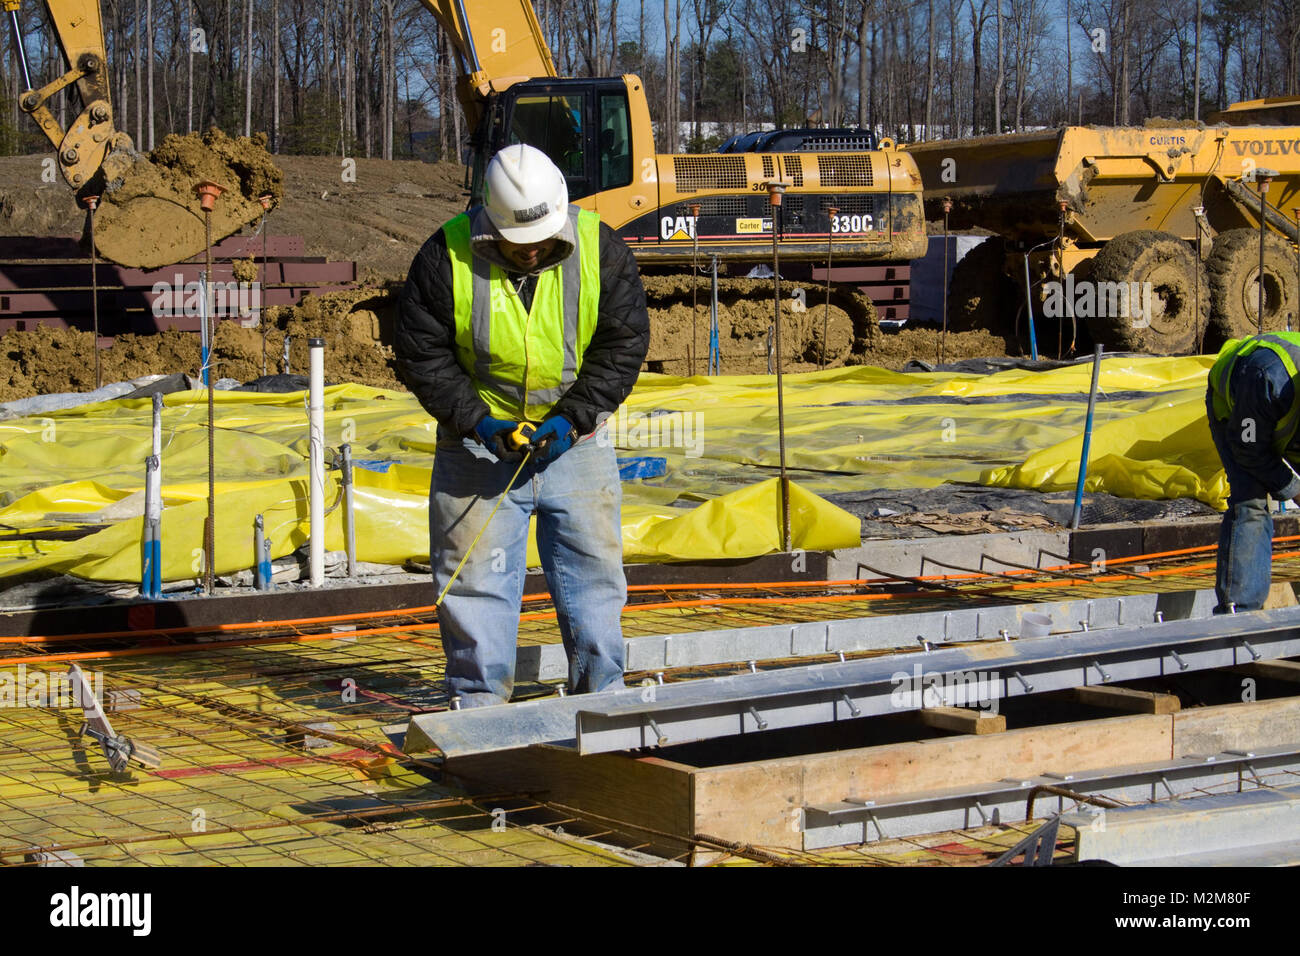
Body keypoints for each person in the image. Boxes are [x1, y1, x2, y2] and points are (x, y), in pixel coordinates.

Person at [395, 144, 650, 707]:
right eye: (518, 244)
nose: (532, 252)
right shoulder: (446, 255)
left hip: (574, 442)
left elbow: (622, 344)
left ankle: (602, 703)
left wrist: (574, 417)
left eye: (542, 241)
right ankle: (479, 711)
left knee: (593, 580)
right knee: (476, 584)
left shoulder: (599, 247)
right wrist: (480, 422)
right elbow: (423, 354)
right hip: (479, 450)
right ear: (491, 222)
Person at [1205, 331, 1300, 613]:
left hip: (1283, 419)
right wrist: (1293, 488)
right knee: (1251, 500)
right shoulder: (1266, 379)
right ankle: (1240, 610)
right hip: (1238, 411)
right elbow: (1248, 449)